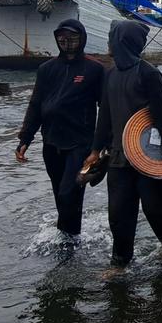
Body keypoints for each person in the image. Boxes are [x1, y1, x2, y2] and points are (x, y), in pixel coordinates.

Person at [85, 20, 162, 273]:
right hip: (119, 156)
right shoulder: (110, 74)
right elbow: (105, 116)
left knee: (154, 208)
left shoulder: (149, 73)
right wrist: (95, 150)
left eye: (112, 39)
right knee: (119, 211)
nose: (108, 44)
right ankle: (119, 263)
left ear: (123, 42)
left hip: (149, 157)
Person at [16, 19, 104, 242]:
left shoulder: (94, 69)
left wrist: (102, 146)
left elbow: (106, 109)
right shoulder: (46, 69)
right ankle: (68, 237)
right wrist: (26, 137)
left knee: (69, 191)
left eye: (73, 38)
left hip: (80, 144)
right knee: (59, 194)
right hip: (52, 142)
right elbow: (36, 104)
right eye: (62, 39)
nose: (67, 43)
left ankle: (70, 236)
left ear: (82, 39)